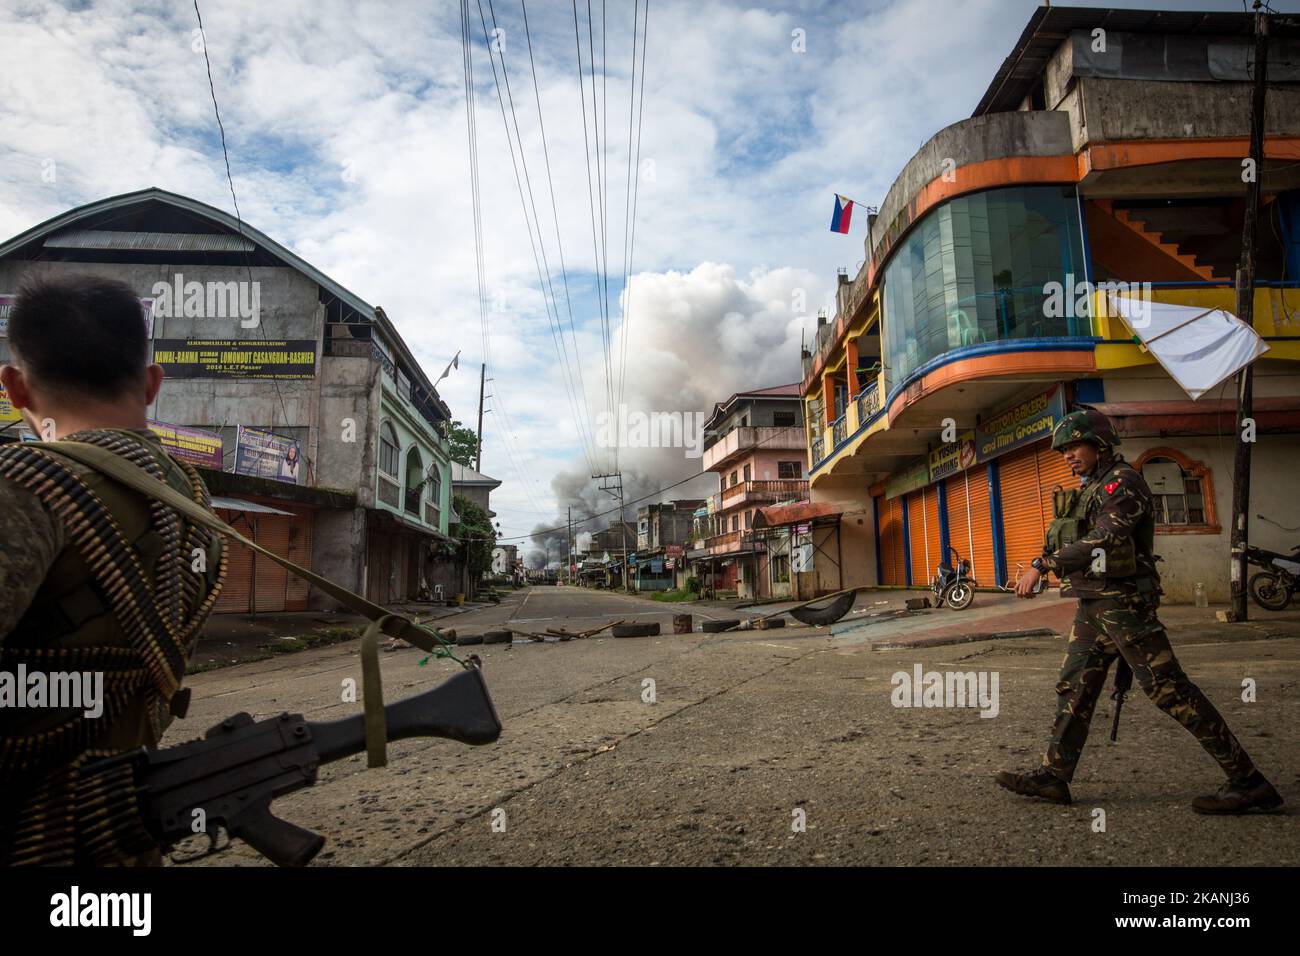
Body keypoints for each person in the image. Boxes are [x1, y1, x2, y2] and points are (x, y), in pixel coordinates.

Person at [0, 275, 226, 865]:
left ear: (15, 386)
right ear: (152, 385)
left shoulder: (25, 484)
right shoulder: (192, 503)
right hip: (117, 832)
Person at [996, 408, 1281, 814]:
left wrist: (1046, 566)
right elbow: (1078, 535)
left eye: (1074, 446)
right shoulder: (1092, 486)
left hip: (1124, 604)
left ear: (1098, 444)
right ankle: (1053, 776)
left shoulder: (1123, 483)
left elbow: (1105, 539)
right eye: (1063, 451)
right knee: (1074, 688)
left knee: (1169, 690)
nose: (1068, 456)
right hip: (1094, 604)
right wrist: (1047, 562)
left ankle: (1248, 781)